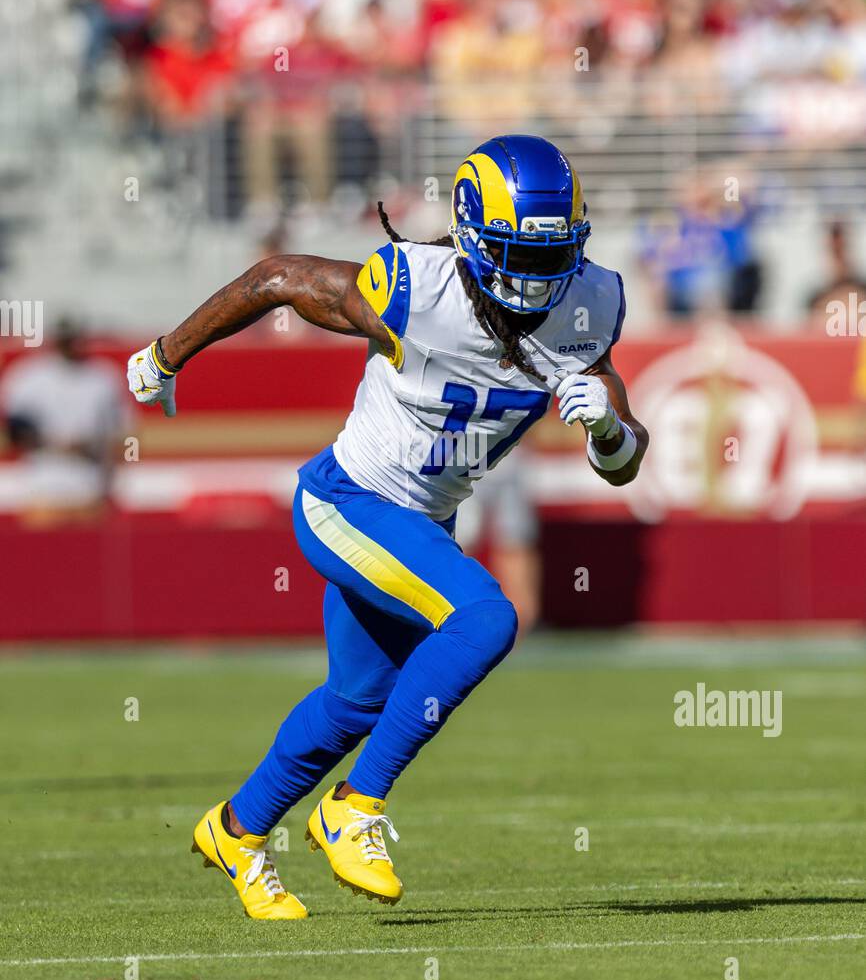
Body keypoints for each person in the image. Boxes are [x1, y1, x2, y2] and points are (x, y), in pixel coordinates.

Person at [126, 135, 648, 918]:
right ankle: (356, 806)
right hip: (349, 502)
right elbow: (275, 278)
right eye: (517, 255)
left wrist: (609, 429)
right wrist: (166, 356)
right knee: (485, 619)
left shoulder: (591, 303)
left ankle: (237, 829)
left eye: (554, 257)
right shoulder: (413, 286)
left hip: (426, 519)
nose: (539, 278)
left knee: (358, 701)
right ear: (473, 238)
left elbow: (626, 462)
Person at [1, 318, 126, 524]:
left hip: (90, 492)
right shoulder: (27, 377)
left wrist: (93, 446)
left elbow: (123, 434)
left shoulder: (103, 377)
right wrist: (57, 444)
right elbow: (14, 433)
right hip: (43, 492)